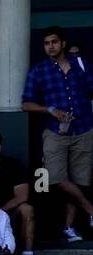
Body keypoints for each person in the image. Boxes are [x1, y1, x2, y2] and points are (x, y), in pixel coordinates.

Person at [21, 25, 93, 241]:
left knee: (79, 181)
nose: (50, 46)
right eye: (46, 43)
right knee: (54, 177)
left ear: (63, 43)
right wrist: (50, 109)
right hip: (55, 131)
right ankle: (91, 210)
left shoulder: (80, 65)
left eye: (53, 42)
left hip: (84, 128)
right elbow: (26, 103)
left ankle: (69, 228)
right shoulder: (39, 70)